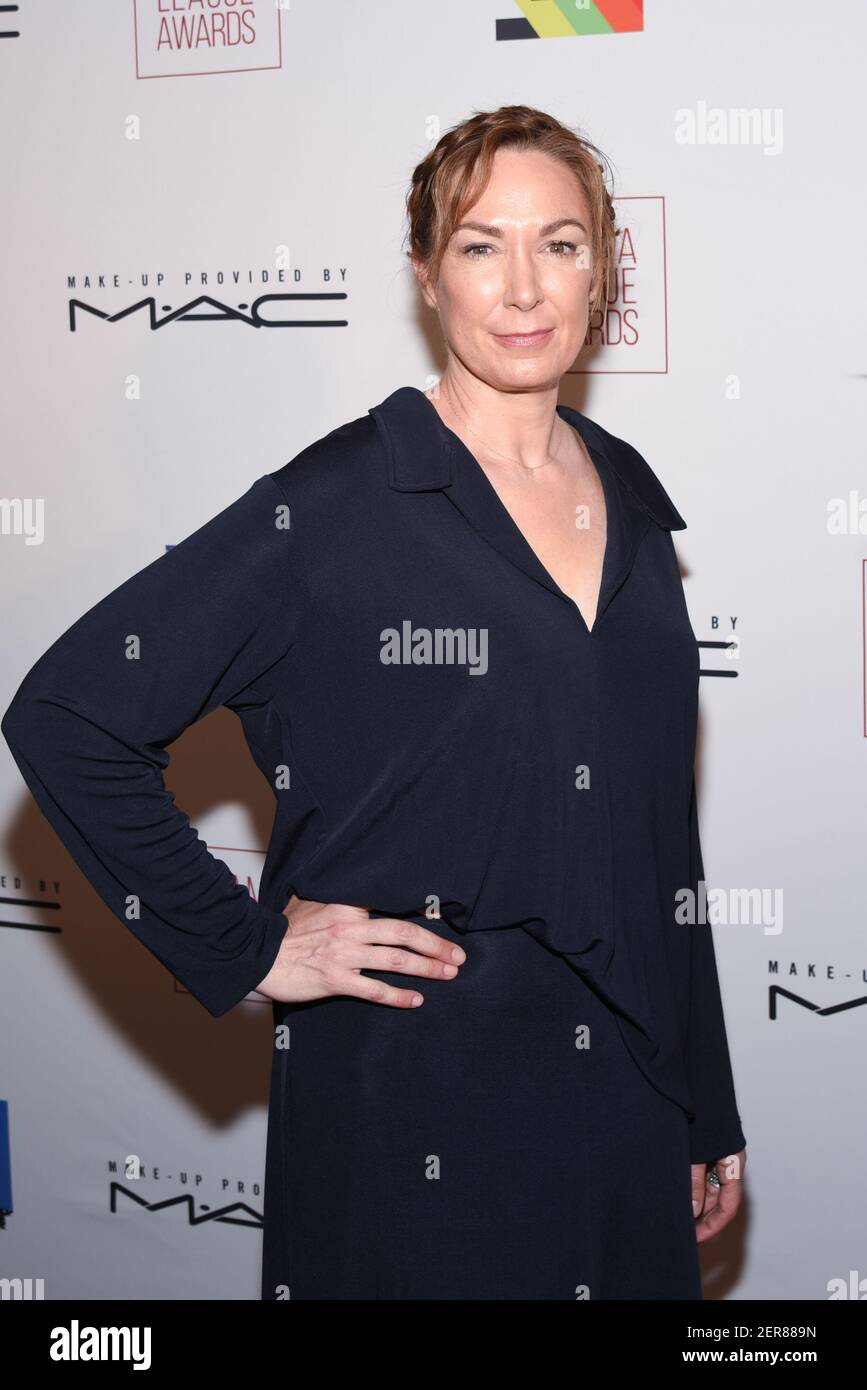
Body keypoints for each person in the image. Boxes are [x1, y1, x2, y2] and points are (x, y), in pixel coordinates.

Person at [1, 104, 746, 1300]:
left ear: (601, 268)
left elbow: (661, 837)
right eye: (478, 244)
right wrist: (247, 945)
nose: (522, 286)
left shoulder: (636, 507)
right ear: (424, 274)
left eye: (558, 243)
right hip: (414, 1099)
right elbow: (68, 714)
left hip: (625, 1092)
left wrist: (703, 1096)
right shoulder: (337, 503)